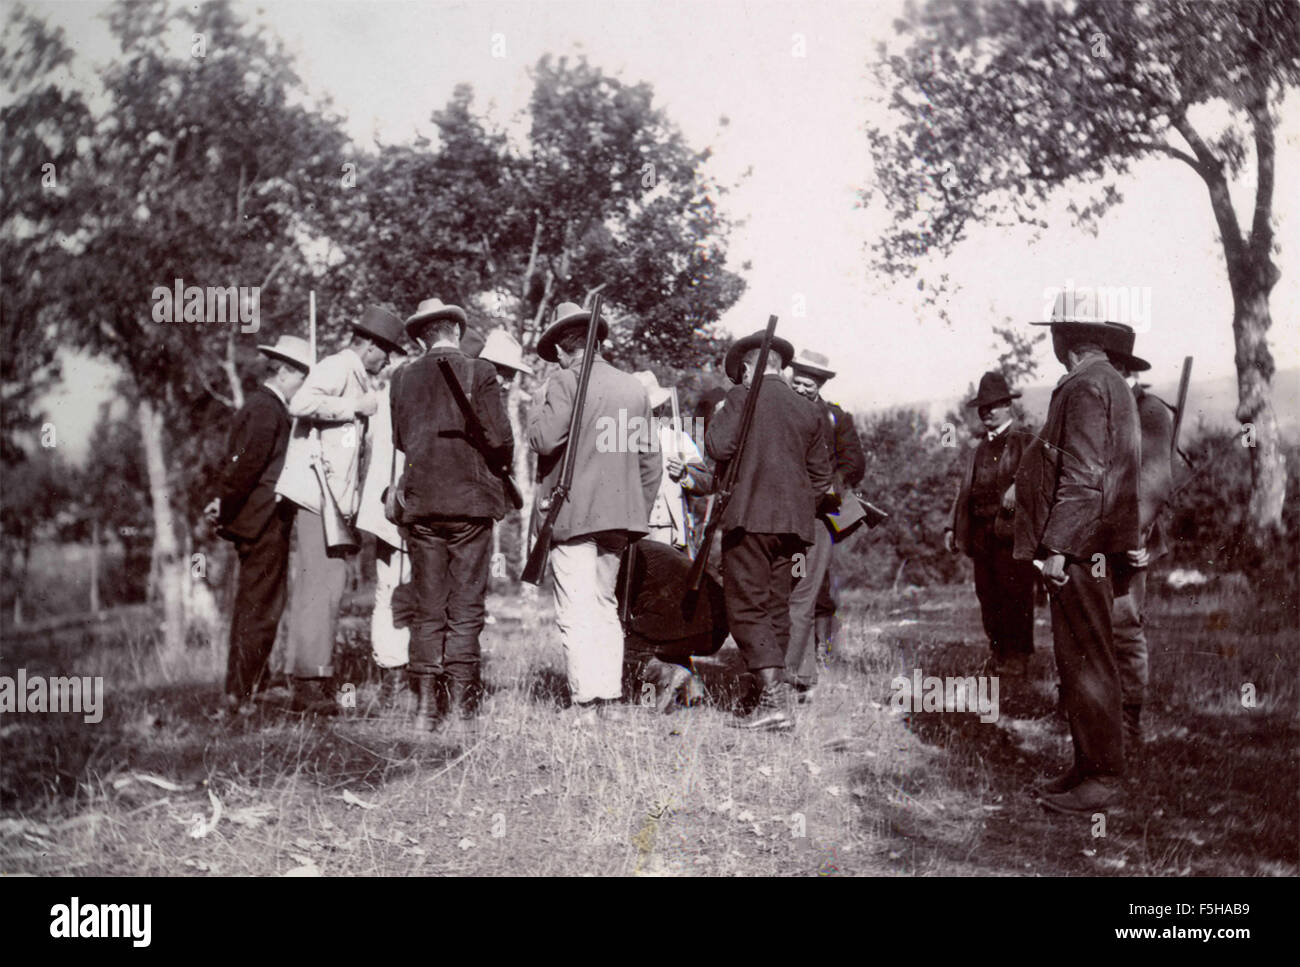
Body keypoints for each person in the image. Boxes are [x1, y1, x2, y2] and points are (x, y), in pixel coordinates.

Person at [1015, 297, 1141, 815]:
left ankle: (1102, 776)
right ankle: (1089, 766)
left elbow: (1084, 475)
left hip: (1082, 548)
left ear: (1063, 339)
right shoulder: (1107, 380)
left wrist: (1058, 548)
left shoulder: (1087, 385)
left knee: (1087, 660)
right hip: (1093, 545)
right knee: (1081, 658)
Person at [527, 301, 661, 724]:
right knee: (605, 605)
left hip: (574, 514)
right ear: (598, 343)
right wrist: (635, 507)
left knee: (576, 608)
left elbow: (544, 440)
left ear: (562, 350)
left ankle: (585, 704)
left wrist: (538, 405)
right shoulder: (633, 388)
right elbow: (650, 462)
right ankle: (610, 699)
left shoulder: (565, 381)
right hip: (620, 518)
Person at [275, 306, 407, 714]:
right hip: (317, 497)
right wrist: (353, 407)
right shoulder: (338, 366)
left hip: (330, 501)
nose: (387, 360)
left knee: (323, 587)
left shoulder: (355, 374)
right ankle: (308, 684)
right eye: (386, 351)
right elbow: (300, 403)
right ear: (370, 346)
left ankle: (308, 679)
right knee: (322, 588)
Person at [391, 298, 513, 735]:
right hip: (470, 504)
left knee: (427, 606)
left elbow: (400, 439)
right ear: (456, 331)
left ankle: (425, 711)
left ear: (422, 337)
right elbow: (500, 440)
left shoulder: (400, 377)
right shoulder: (480, 371)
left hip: (422, 503)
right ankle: (462, 711)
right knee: (465, 606)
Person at [706, 330, 833, 733]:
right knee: (777, 607)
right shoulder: (808, 408)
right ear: (781, 367)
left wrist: (725, 410)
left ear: (748, 369)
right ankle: (765, 698)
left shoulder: (741, 397)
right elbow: (821, 477)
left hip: (749, 520)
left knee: (746, 607)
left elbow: (718, 447)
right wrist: (796, 507)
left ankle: (774, 701)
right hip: (795, 529)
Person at [206, 335, 312, 718]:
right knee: (261, 610)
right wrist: (225, 503)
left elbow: (240, 467)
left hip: (256, 521)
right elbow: (245, 468)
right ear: (283, 372)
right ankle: (240, 694)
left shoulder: (262, 406)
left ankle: (247, 687)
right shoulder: (268, 409)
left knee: (254, 606)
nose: (303, 384)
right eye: (301, 376)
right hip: (263, 522)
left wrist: (224, 504)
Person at [1105, 338, 1175, 753]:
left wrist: (1134, 536)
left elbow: (1154, 481)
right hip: (1091, 537)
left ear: (1124, 370)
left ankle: (1129, 721)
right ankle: (1090, 710)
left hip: (1131, 539)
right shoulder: (1102, 407)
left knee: (1124, 626)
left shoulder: (1150, 411)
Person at [944, 371, 1038, 676]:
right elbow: (964, 491)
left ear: (1007, 406)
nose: (987, 412)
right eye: (983, 407)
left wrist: (1017, 487)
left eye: (993, 406)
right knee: (987, 594)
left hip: (1013, 534)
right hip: (981, 534)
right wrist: (951, 527)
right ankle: (998, 653)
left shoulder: (1025, 440)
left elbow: (1040, 474)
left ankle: (1018, 657)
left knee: (1016, 594)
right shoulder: (978, 449)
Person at [784, 348, 866, 698]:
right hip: (784, 515)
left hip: (817, 518)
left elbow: (854, 461)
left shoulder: (835, 418)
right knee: (793, 589)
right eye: (798, 382)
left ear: (820, 385)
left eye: (809, 384)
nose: (802, 389)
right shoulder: (780, 412)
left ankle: (799, 673)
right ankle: (797, 670)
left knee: (804, 589)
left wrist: (835, 484)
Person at [354, 361, 410, 707]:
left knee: (394, 590)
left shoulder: (386, 397)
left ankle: (400, 672)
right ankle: (394, 674)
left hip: (398, 507)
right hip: (394, 509)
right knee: (392, 589)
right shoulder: (395, 397)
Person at [633, 370, 704, 552]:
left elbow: (706, 481)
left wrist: (684, 473)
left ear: (661, 409)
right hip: (632, 531)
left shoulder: (678, 439)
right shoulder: (619, 442)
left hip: (669, 531)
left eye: (655, 409)